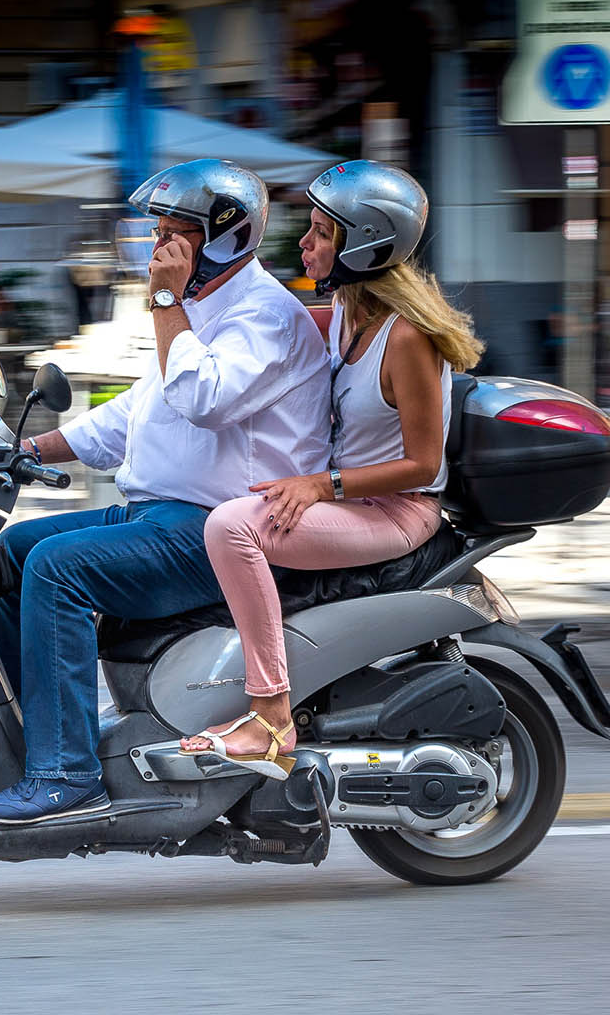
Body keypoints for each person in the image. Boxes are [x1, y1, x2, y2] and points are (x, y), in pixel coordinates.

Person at [0, 159, 331, 824]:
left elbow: (201, 400)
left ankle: (66, 774)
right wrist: (23, 451)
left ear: (223, 237)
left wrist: (165, 301)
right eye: (158, 231)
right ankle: (35, 740)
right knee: (13, 551)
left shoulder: (264, 317)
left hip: (219, 529)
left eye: (173, 231)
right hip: (161, 514)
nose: (157, 247)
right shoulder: (200, 309)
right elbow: (135, 413)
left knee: (59, 569)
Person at [180, 160, 484, 777]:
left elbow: (424, 465)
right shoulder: (345, 311)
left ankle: (270, 716)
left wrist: (324, 484)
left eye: (320, 232)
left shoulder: (407, 339)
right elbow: (270, 334)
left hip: (397, 512)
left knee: (231, 527)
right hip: (348, 503)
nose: (304, 243)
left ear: (364, 247)